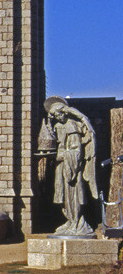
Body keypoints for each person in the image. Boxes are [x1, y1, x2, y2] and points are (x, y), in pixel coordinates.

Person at [45, 96, 97, 236]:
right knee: (62, 196)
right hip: (61, 166)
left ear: (64, 112)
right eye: (55, 116)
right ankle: (70, 221)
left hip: (71, 167)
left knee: (72, 195)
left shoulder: (72, 126)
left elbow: (77, 151)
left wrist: (62, 155)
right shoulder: (58, 126)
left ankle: (77, 222)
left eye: (59, 114)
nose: (58, 117)